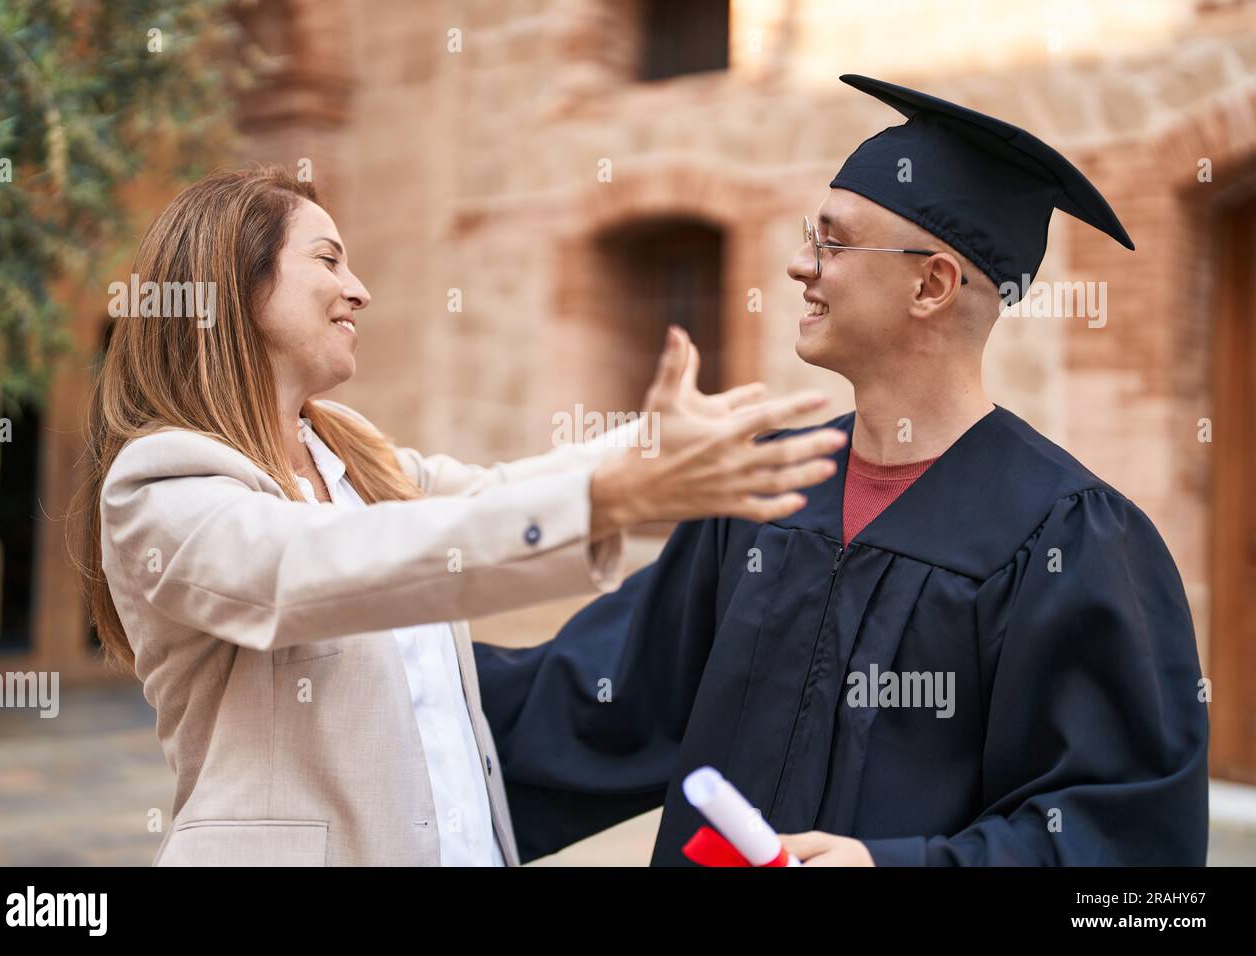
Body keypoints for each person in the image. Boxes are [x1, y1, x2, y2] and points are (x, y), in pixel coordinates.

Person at [474, 75, 1210, 867]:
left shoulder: (1068, 537)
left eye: (832, 240)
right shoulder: (764, 489)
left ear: (930, 285)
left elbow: (1122, 839)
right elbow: (597, 697)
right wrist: (379, 660)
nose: (799, 264)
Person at [68, 165, 847, 866]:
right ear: (235, 282)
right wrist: (606, 501)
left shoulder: (354, 457)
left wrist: (645, 450)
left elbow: (489, 496)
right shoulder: (163, 484)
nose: (360, 290)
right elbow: (300, 572)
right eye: (329, 259)